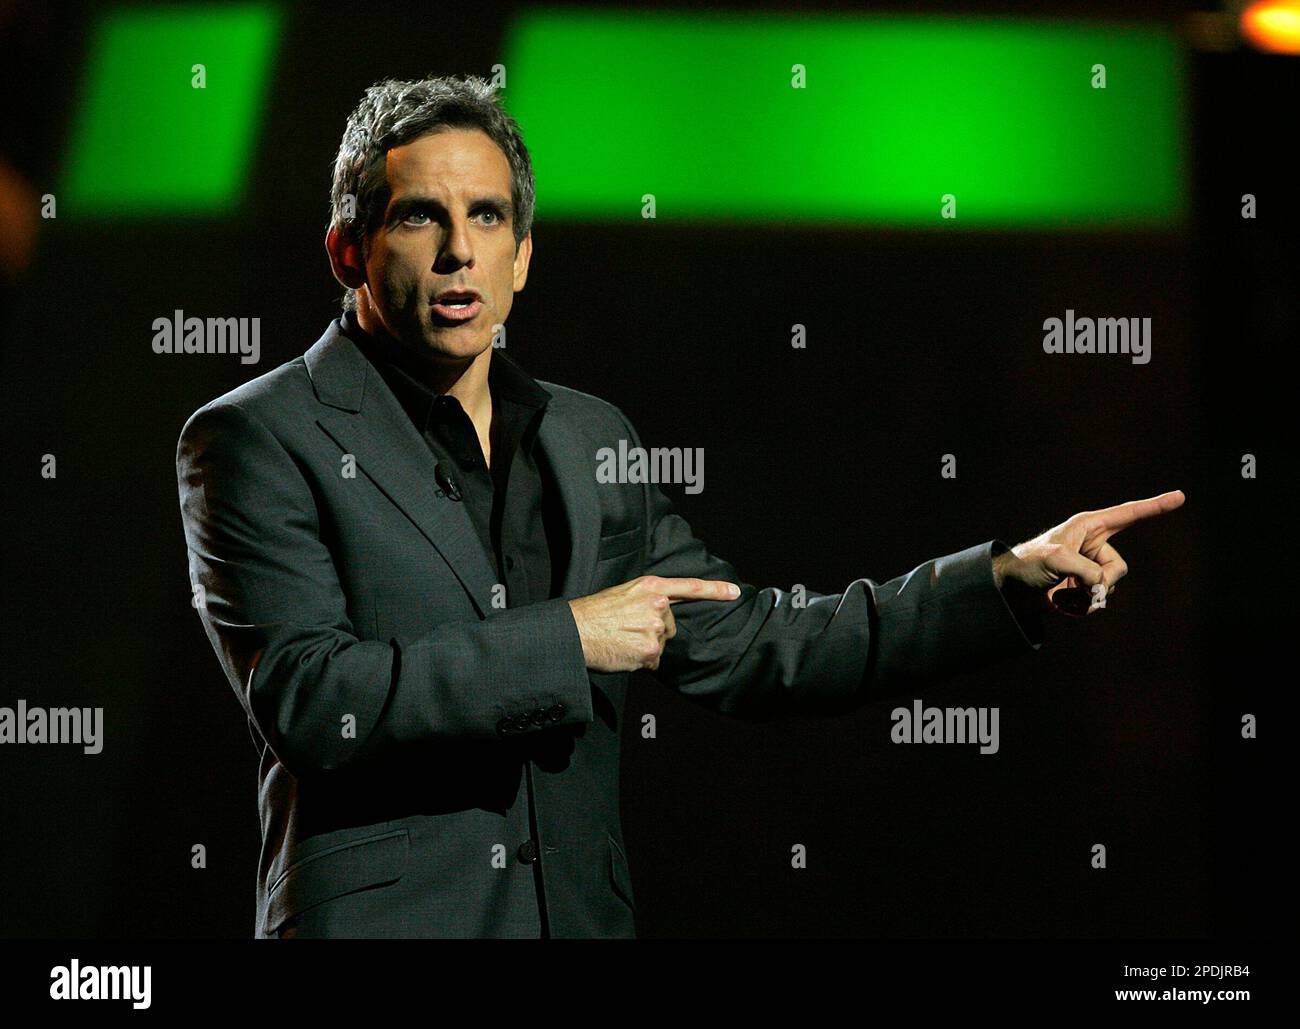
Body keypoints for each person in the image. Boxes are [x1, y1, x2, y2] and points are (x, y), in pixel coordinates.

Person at [175, 74, 1184, 938]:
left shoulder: (586, 438)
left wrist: (1004, 578)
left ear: (522, 256)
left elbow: (761, 642)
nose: (458, 252)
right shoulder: (260, 436)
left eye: (487, 217)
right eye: (417, 217)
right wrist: (567, 639)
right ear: (347, 252)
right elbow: (313, 703)